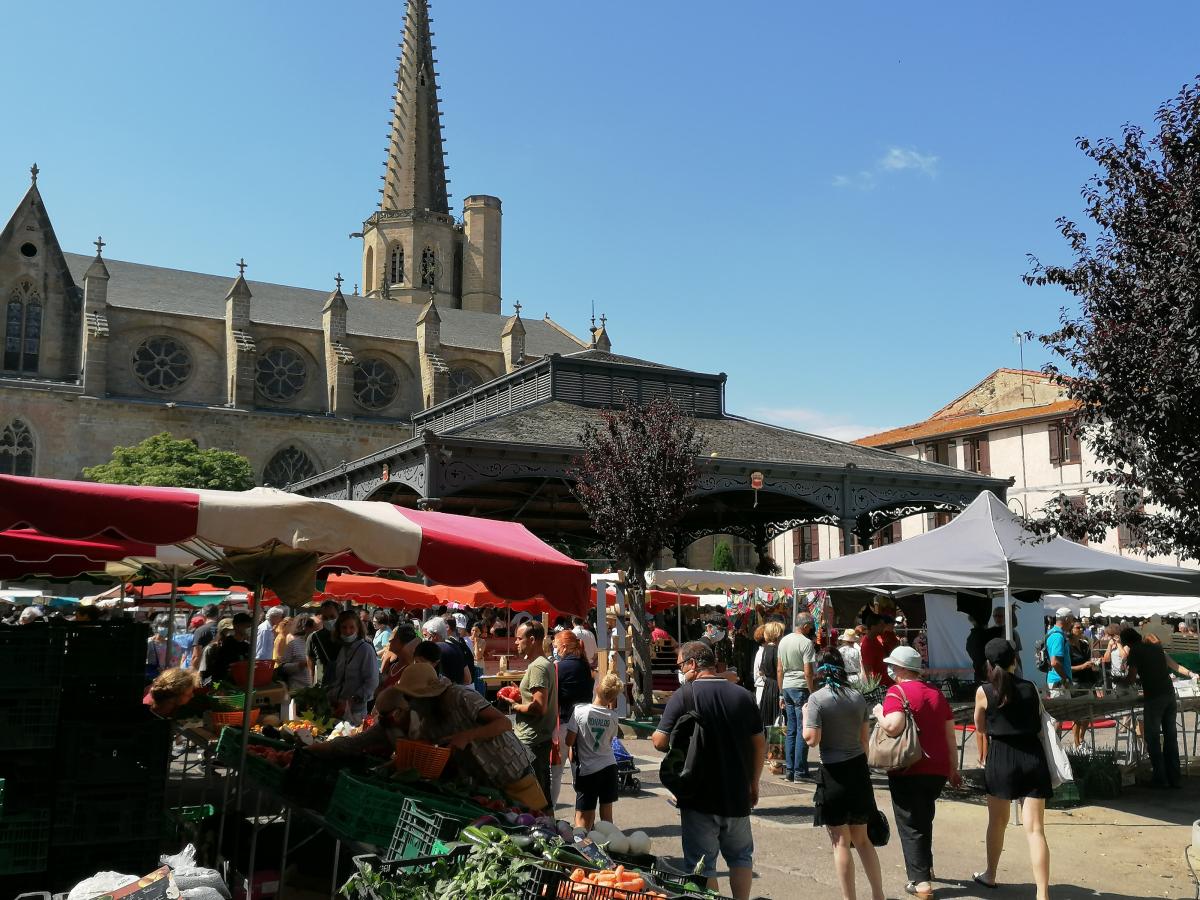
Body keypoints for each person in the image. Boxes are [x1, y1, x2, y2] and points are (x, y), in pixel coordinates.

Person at [652, 641, 764, 900]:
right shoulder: (743, 695)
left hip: (698, 794)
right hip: (737, 792)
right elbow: (759, 743)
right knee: (740, 857)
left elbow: (659, 740)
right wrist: (754, 782)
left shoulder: (685, 695)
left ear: (692, 664)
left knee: (702, 863)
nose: (680, 670)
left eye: (681, 665)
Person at [394, 663, 547, 810]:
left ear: (426, 695)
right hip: (483, 784)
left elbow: (504, 723)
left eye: (411, 698)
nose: (410, 704)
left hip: (511, 772)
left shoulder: (460, 696)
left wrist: (467, 736)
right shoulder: (427, 720)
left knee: (537, 822)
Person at [878, 645, 960, 900]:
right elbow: (950, 734)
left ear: (901, 668)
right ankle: (926, 866)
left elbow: (892, 727)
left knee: (910, 822)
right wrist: (953, 769)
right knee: (924, 817)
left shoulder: (896, 692)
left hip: (908, 766)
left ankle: (921, 882)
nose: (890, 669)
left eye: (893, 665)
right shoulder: (936, 694)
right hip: (936, 768)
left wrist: (878, 714)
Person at [802, 649, 885, 900]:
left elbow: (811, 740)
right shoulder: (858, 697)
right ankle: (878, 895)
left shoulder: (817, 699)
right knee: (862, 840)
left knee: (840, 842)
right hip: (858, 771)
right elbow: (864, 740)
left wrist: (806, 713)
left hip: (833, 773)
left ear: (820, 670)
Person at [972, 638, 1051, 898]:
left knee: (997, 822)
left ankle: (990, 874)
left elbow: (981, 728)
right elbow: (1039, 724)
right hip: (1032, 756)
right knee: (1036, 830)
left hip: (1001, 757)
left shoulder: (984, 691)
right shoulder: (1030, 687)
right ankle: (1042, 894)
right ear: (1014, 660)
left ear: (988, 664)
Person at [1121, 627, 1196, 789]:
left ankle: (1160, 778)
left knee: (1152, 738)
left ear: (1127, 642)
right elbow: (1166, 668)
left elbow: (1131, 677)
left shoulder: (1135, 651)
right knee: (1171, 737)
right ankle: (1174, 778)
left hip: (1154, 697)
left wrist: (1120, 682)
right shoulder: (1156, 649)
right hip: (1169, 695)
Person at [508, 620, 557, 812]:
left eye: (519, 639)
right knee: (540, 792)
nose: (516, 643)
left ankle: (546, 830)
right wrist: (520, 694)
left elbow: (539, 707)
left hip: (532, 739)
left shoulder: (537, 666)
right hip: (539, 738)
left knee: (535, 796)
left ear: (532, 639)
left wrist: (515, 705)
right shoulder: (543, 664)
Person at [565, 672, 623, 830]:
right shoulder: (613, 717)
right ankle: (609, 847)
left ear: (597, 688)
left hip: (588, 769)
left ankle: (582, 848)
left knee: (583, 817)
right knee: (607, 817)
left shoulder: (579, 711)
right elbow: (610, 742)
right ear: (612, 699)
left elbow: (569, 741)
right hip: (609, 767)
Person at [551, 630, 595, 805]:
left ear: (563, 647)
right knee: (579, 769)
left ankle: (550, 813)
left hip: (564, 723)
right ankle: (584, 813)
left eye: (555, 646)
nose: (555, 649)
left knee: (555, 773)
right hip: (584, 724)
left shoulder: (558, 667)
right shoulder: (584, 665)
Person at [777, 611, 817, 782]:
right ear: (806, 625)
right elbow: (808, 672)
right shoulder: (806, 643)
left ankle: (790, 771)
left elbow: (779, 669)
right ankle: (800, 771)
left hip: (786, 686)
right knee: (802, 729)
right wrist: (812, 691)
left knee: (792, 729)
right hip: (801, 687)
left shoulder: (783, 641)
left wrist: (781, 692)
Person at [327, 610, 379, 724]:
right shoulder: (343, 650)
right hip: (338, 710)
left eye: (351, 627)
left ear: (358, 629)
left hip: (356, 713)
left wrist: (351, 701)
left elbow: (372, 682)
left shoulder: (366, 649)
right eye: (344, 627)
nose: (347, 631)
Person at [1067, 621, 1097, 746]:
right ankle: (1076, 742)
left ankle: (1082, 738)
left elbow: (1088, 659)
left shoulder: (1084, 644)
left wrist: (1092, 664)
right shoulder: (1067, 646)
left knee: (1088, 713)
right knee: (1077, 714)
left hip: (1088, 681)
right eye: (1078, 627)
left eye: (1082, 627)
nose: (1081, 629)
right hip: (1076, 681)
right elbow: (1066, 667)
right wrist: (1082, 666)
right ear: (1071, 630)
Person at [203, 613, 252, 685]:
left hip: (241, 683)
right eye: (247, 626)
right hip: (225, 685)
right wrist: (216, 687)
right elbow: (218, 669)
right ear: (236, 626)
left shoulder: (247, 646)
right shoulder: (226, 645)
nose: (249, 629)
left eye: (250, 626)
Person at [422, 616, 472, 685]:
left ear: (434, 635)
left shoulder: (433, 650)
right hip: (457, 692)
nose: (424, 639)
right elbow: (468, 679)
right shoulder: (456, 647)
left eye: (425, 636)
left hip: (441, 693)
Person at [307, 600, 343, 687]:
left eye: (332, 616)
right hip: (323, 686)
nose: (329, 620)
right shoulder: (314, 637)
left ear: (339, 616)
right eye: (325, 618)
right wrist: (311, 684)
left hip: (344, 687)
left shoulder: (347, 636)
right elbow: (310, 661)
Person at [755, 621, 783, 727]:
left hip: (768, 686)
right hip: (776, 685)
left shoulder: (765, 649)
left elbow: (761, 670)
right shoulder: (777, 650)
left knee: (768, 717)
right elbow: (779, 670)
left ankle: (769, 740)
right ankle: (776, 741)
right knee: (777, 716)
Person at [276, 615, 313, 693]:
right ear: (306, 629)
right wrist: (299, 665)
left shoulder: (318, 644)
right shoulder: (294, 644)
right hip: (297, 689)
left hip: (315, 689)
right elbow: (283, 667)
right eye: (311, 628)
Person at [859, 612, 894, 688]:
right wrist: (874, 688)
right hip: (880, 687)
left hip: (886, 683)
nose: (884, 627)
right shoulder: (867, 645)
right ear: (872, 627)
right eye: (881, 625)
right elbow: (868, 670)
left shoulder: (876, 639)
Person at [1045, 608, 1073, 698]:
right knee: (1063, 711)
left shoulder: (1053, 632)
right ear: (1067, 619)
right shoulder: (1058, 636)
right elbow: (1055, 662)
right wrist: (1065, 679)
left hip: (1057, 682)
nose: (1072, 622)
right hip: (1059, 683)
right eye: (1071, 619)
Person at [146, 613, 182, 682]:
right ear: (156, 626)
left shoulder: (175, 645)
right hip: (150, 678)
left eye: (168, 626)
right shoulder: (149, 642)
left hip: (167, 679)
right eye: (163, 625)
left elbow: (177, 665)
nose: (165, 628)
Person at [190, 604, 220, 670]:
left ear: (203, 614)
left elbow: (196, 655)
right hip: (221, 668)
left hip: (204, 670)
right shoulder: (223, 629)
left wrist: (192, 671)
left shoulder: (200, 630)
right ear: (217, 614)